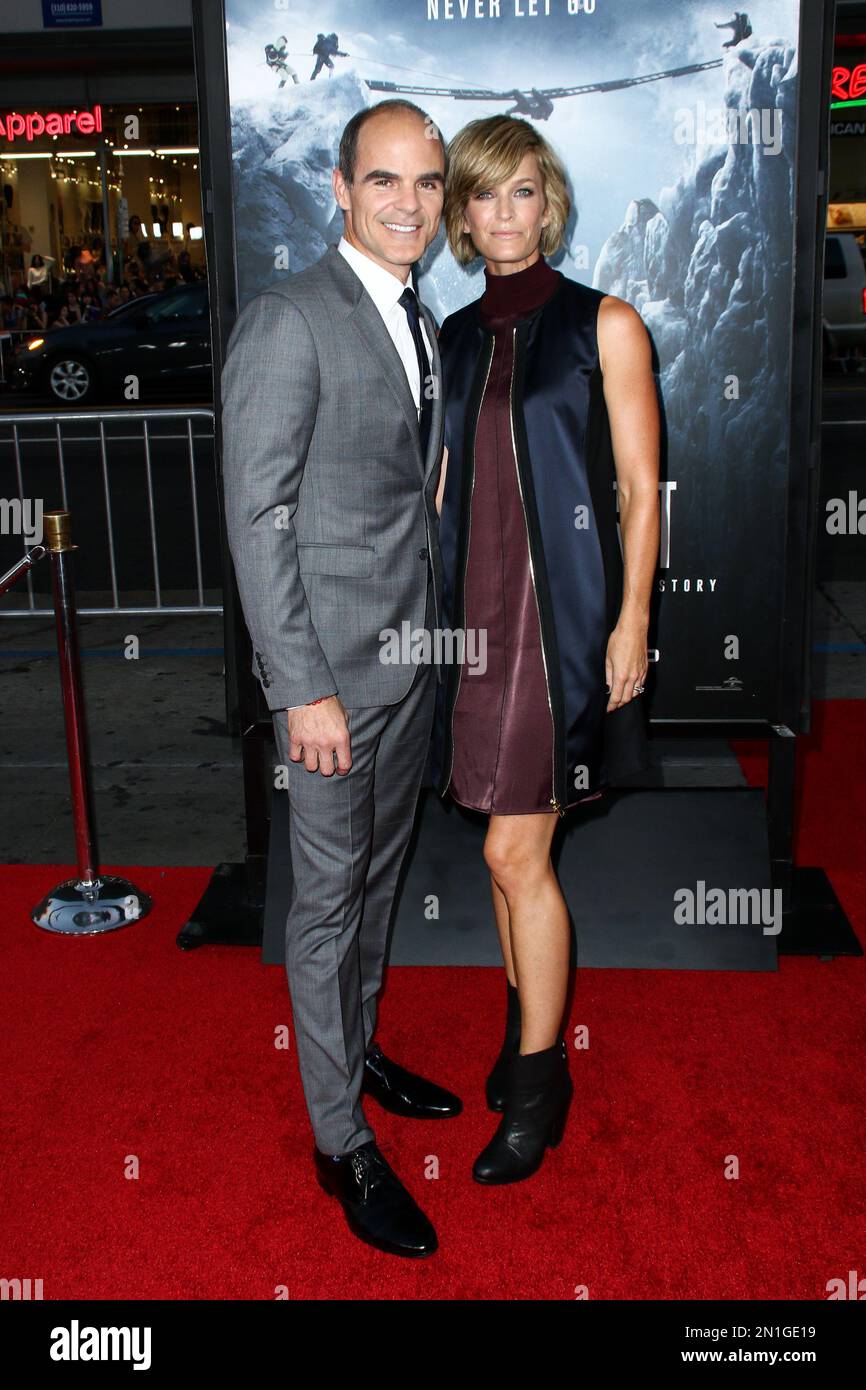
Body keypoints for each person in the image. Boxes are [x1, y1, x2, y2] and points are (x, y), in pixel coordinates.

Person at [221, 99, 456, 1259]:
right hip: (327, 684)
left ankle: (353, 1047)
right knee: (323, 906)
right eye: (383, 182)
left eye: (424, 183)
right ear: (339, 186)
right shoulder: (289, 320)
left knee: (375, 879)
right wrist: (296, 686)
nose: (408, 204)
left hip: (407, 664)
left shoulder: (420, 315)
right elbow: (256, 515)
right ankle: (336, 1140)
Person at [431, 115, 659, 1184]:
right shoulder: (456, 335)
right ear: (462, 218)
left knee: (513, 855)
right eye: (483, 196)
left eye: (522, 192)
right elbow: (441, 489)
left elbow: (634, 491)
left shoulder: (603, 325)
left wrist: (632, 621)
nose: (504, 214)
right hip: (471, 626)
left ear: (547, 202)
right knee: (497, 851)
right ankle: (526, 1031)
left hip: (558, 625)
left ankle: (536, 1089)